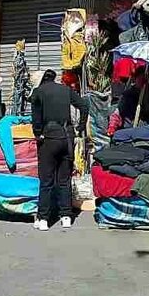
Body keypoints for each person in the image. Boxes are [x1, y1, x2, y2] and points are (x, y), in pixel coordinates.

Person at [31, 69, 88, 231]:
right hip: (67, 137)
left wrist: (38, 134)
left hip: (48, 139)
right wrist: (80, 127)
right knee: (64, 180)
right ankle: (66, 216)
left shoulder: (38, 92)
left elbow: (36, 118)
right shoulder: (65, 89)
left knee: (47, 181)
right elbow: (84, 106)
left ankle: (43, 219)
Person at [108, 65, 149, 132]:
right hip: (131, 131)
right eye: (140, 80)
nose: (143, 84)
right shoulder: (128, 95)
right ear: (135, 79)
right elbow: (117, 113)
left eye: (145, 80)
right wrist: (112, 126)